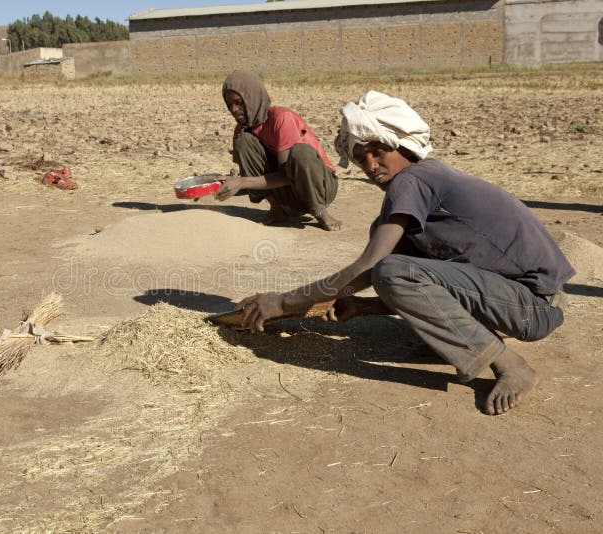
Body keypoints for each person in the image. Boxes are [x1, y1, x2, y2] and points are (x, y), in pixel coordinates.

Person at [235, 90, 575, 416]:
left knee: (392, 269)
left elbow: (371, 268)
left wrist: (281, 302)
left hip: (534, 305)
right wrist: (363, 306)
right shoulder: (424, 179)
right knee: (388, 244)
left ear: (403, 145)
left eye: (378, 151)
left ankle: (511, 365)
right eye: (361, 157)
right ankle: (463, 337)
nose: (371, 164)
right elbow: (391, 272)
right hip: (522, 300)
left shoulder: (411, 181)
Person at [214, 70, 341, 231]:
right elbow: (252, 179)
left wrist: (242, 182)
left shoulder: (281, 118)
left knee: (300, 153)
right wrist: (214, 185)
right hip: (289, 192)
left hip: (320, 185)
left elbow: (287, 175)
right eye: (229, 104)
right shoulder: (242, 130)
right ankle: (277, 208)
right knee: (244, 141)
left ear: (252, 98)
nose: (234, 109)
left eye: (239, 102)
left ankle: (320, 211)